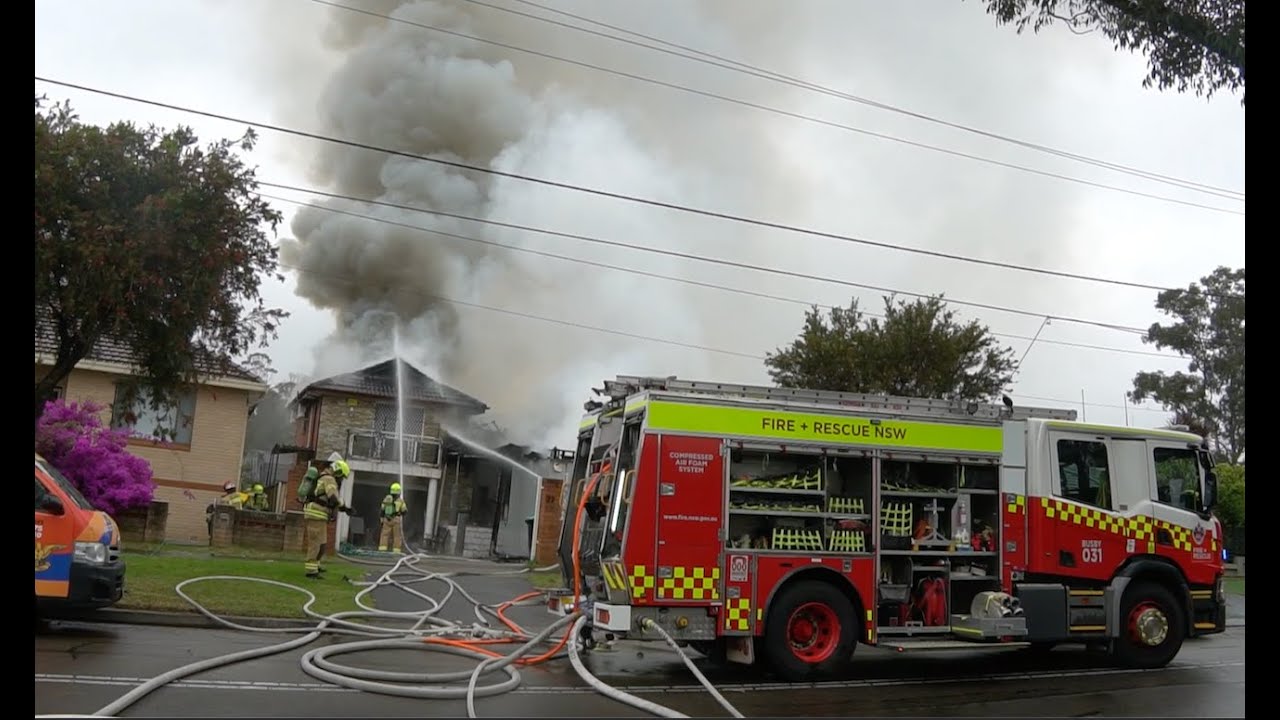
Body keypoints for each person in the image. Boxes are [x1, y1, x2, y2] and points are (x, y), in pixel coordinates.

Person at [303, 460, 352, 579]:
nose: (341, 479)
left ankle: (316, 566)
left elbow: (331, 499)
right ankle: (311, 571)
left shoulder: (324, 477)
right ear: (338, 471)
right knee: (315, 544)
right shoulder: (329, 479)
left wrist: (343, 508)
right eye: (342, 476)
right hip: (316, 514)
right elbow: (333, 497)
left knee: (322, 544)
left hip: (319, 514)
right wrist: (343, 508)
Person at [378, 482, 408, 553]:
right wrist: (399, 513)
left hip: (387, 519)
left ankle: (382, 550)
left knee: (384, 535)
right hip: (396, 519)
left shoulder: (386, 499)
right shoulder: (400, 501)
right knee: (397, 536)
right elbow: (405, 511)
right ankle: (396, 551)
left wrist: (382, 520)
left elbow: (382, 510)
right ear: (399, 491)